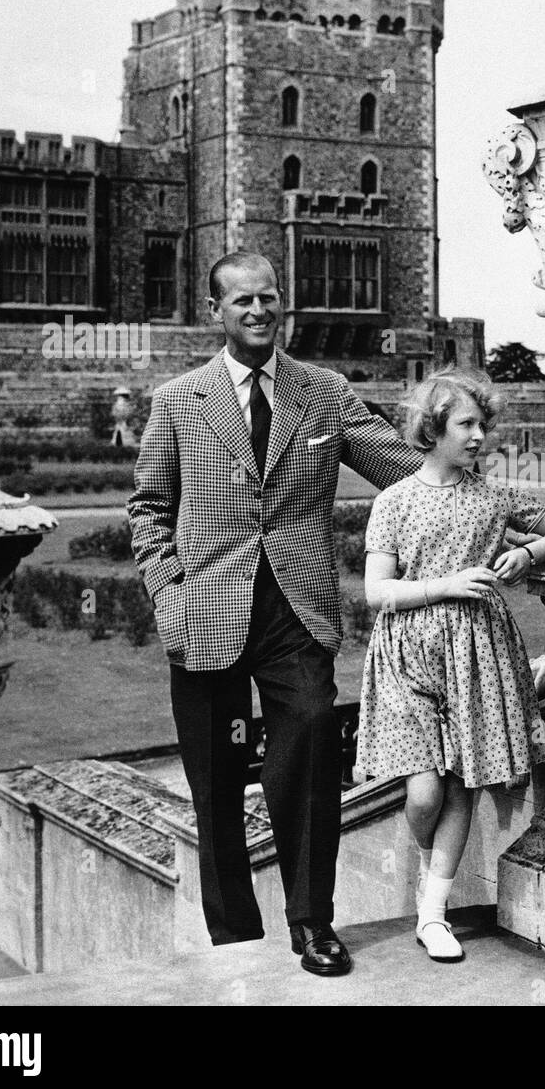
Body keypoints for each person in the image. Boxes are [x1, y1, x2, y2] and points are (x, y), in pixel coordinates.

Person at [128, 251, 421, 976]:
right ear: (215, 313)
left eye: (268, 299)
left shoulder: (322, 392)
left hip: (296, 611)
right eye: (242, 302)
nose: (258, 312)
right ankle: (234, 940)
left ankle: (311, 924)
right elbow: (148, 511)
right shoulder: (178, 400)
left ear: (281, 303)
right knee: (216, 787)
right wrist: (170, 595)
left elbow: (415, 473)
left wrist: (544, 516)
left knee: (315, 744)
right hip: (206, 614)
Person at [358, 368, 545, 962]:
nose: (479, 436)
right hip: (407, 651)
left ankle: (433, 913)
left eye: (483, 424)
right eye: (465, 425)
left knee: (459, 784)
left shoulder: (495, 495)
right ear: (432, 429)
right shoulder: (394, 500)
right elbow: (377, 591)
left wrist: (527, 553)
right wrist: (444, 585)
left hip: (476, 651)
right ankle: (431, 870)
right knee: (424, 793)